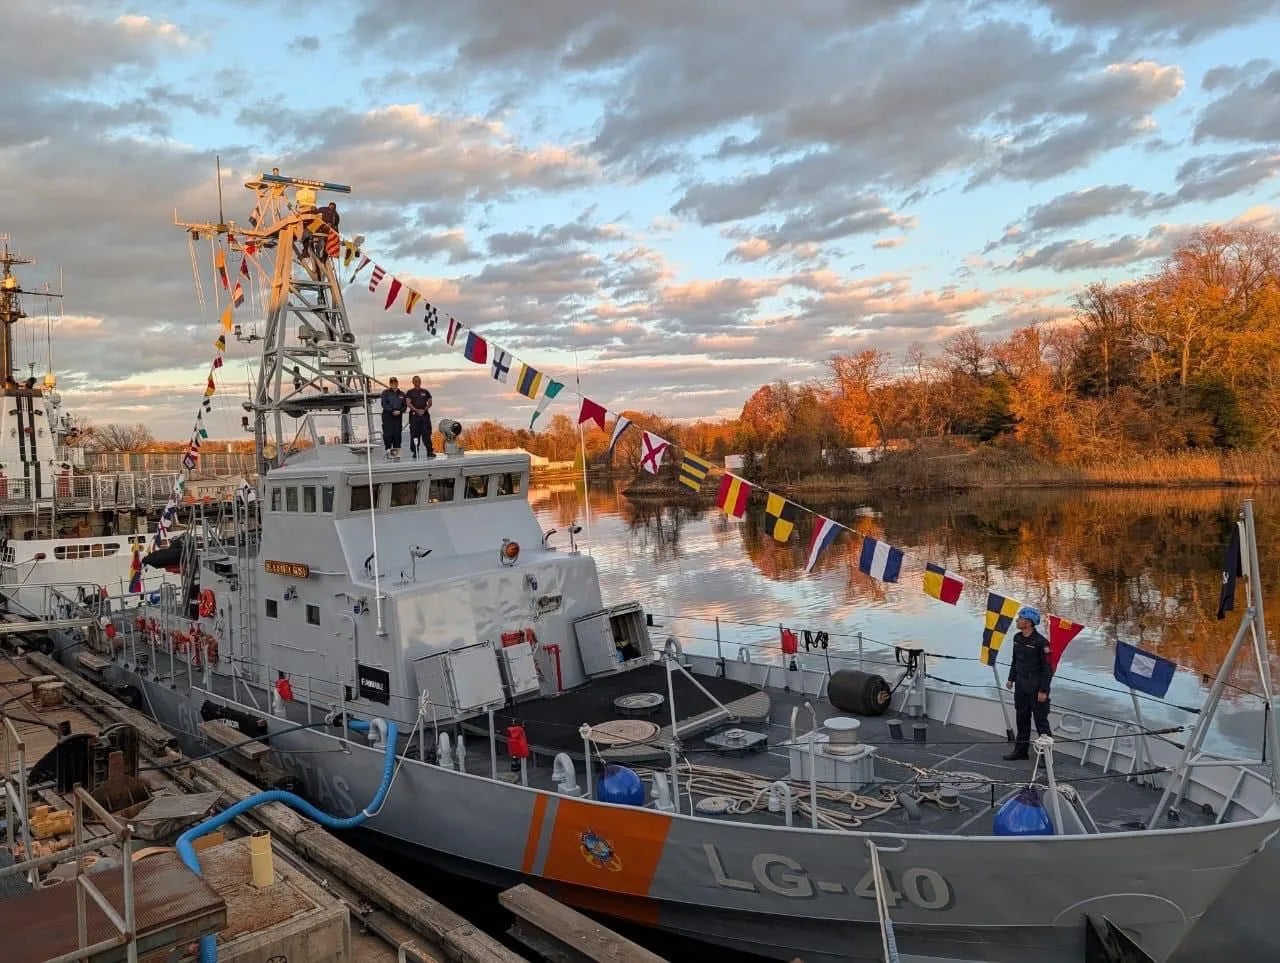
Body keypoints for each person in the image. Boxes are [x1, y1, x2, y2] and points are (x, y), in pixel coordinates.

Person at [1003, 606, 1053, 761]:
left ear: (1029, 622)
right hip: (1021, 685)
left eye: (1020, 618)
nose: (1017, 620)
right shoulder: (1017, 638)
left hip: (1036, 686)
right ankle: (1021, 751)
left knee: (1041, 722)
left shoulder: (1041, 643)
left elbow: (1047, 669)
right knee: (1021, 718)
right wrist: (1011, 678)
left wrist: (1043, 690)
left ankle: (1046, 757)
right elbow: (1015, 660)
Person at [405, 375, 433, 458]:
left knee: (427, 433)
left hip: (424, 415)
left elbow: (430, 402)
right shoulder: (410, 392)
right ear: (413, 382)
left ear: (420, 381)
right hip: (414, 416)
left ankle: (429, 451)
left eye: (418, 380)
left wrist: (424, 410)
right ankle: (415, 452)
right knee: (414, 434)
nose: (417, 382)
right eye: (415, 380)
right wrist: (417, 410)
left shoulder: (425, 391)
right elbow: (408, 403)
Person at [380, 377, 405, 459]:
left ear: (397, 383)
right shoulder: (385, 393)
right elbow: (384, 404)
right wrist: (392, 410)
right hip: (388, 417)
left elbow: (404, 406)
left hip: (398, 418)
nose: (394, 384)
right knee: (388, 435)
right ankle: (388, 454)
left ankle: (396, 457)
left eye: (395, 382)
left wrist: (400, 411)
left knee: (397, 436)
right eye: (392, 382)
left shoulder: (402, 394)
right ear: (390, 384)